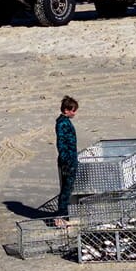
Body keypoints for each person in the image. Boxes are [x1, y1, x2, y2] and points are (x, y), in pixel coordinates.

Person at [50, 96, 79, 226]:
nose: (74, 113)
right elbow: (61, 144)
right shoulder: (62, 123)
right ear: (66, 110)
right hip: (67, 160)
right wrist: (67, 161)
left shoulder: (65, 121)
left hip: (71, 158)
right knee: (66, 189)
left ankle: (64, 215)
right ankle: (60, 216)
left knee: (69, 188)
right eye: (73, 110)